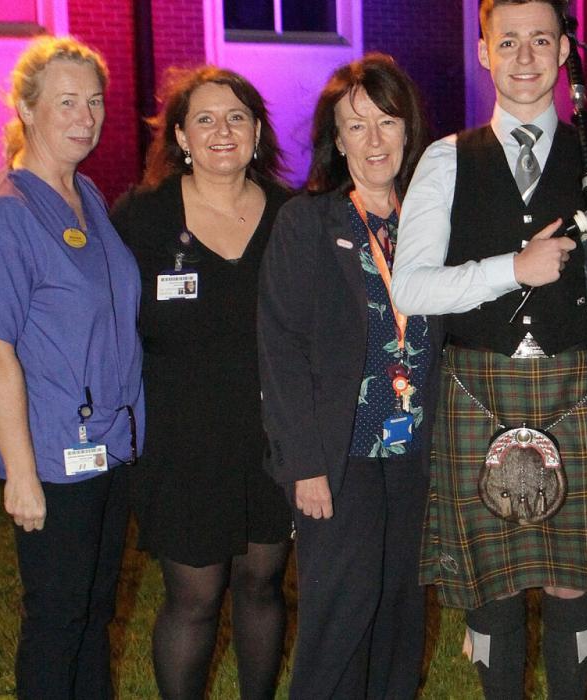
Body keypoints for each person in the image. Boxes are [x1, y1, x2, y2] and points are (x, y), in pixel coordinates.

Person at [391, 1, 587, 696]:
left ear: (564, 50)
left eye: (540, 40)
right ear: (483, 51)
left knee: (572, 578)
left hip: (578, 387)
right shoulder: (446, 159)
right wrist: (510, 270)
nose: (524, 57)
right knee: (492, 583)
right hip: (478, 386)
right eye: (507, 41)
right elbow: (412, 288)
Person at [0, 36, 142, 699]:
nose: (85, 117)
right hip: (53, 458)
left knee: (93, 614)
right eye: (65, 103)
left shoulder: (87, 196)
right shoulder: (6, 213)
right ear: (26, 108)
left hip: (108, 450)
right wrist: (21, 474)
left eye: (94, 102)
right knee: (58, 621)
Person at [109, 67, 293, 699]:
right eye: (206, 118)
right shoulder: (142, 218)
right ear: (181, 136)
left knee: (262, 585)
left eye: (237, 117)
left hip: (271, 438)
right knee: (193, 597)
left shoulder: (292, 218)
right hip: (181, 440)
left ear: (258, 131)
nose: (223, 130)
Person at [257, 54, 435, 699]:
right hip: (341, 458)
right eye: (355, 126)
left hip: (416, 456)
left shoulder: (431, 223)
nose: (375, 140)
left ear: (408, 130)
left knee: (401, 610)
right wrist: (304, 464)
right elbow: (280, 348)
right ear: (336, 139)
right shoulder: (308, 223)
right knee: (339, 615)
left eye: (386, 121)